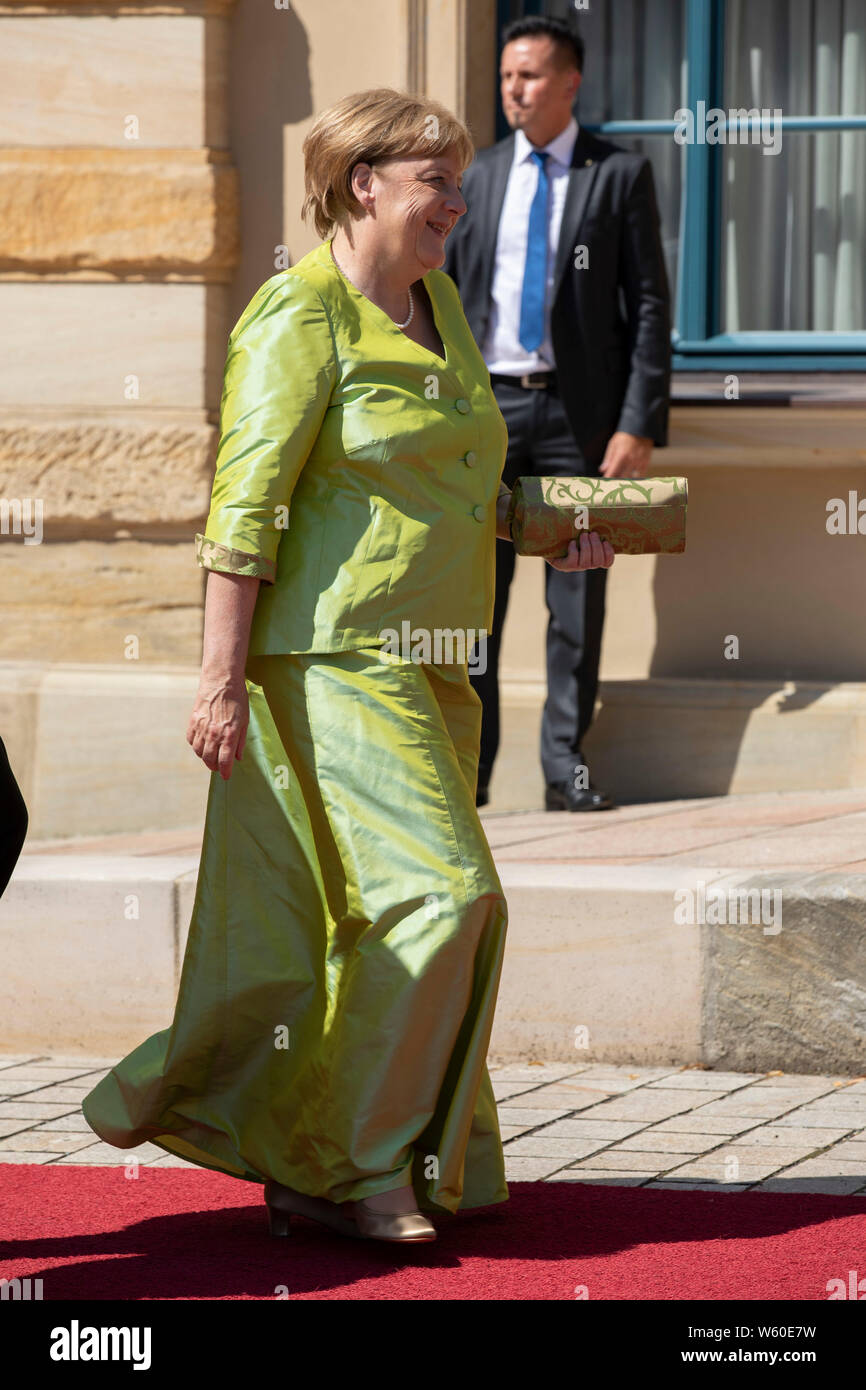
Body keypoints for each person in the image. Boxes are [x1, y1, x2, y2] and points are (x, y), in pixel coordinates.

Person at [81, 87, 614, 1245]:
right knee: (444, 894)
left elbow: (460, 484)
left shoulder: (437, 307)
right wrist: (217, 679)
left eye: (457, 182)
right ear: (362, 183)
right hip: (327, 658)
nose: (455, 205)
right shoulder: (298, 313)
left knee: (401, 913)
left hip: (435, 665)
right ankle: (351, 1166)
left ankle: (330, 1148)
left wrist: (554, 525)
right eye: (435, 180)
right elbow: (245, 506)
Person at [443, 15, 671, 812]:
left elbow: (647, 305)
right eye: (507, 76)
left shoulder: (618, 174)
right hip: (488, 416)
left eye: (530, 76)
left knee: (576, 603)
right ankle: (466, 778)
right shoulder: (477, 177)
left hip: (580, 424)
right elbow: (444, 301)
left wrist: (637, 423)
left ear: (569, 83)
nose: (514, 89)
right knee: (474, 604)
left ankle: (565, 775)